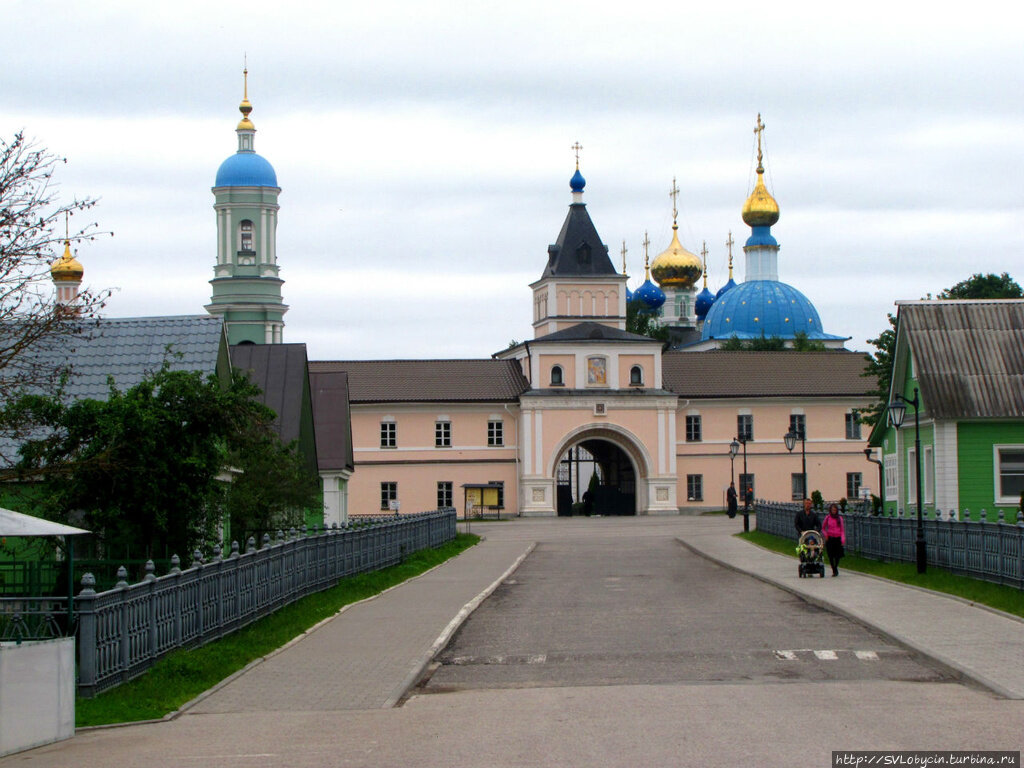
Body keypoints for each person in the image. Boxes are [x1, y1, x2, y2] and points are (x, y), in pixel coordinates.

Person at [821, 503, 846, 576]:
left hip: (837, 538)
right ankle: (834, 569)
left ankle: (836, 567)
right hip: (830, 538)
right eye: (832, 510)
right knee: (831, 555)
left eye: (835, 510)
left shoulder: (839, 518)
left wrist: (843, 539)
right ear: (830, 510)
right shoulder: (828, 518)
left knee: (837, 555)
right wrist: (826, 535)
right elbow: (823, 528)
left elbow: (842, 530)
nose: (834, 511)